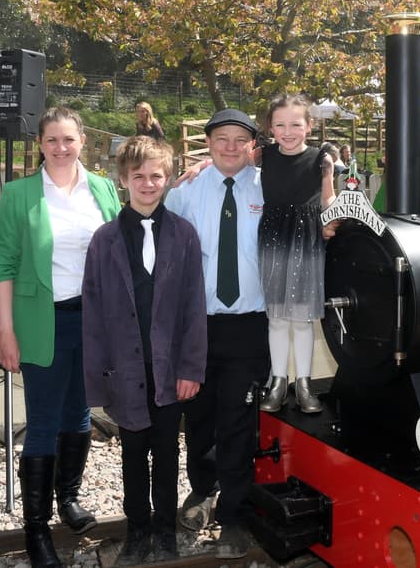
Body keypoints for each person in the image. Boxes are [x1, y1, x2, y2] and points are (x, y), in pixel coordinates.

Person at [0, 107, 122, 567]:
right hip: (41, 321)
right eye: (52, 141)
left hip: (93, 321)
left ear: (82, 140)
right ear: (40, 145)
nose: (61, 148)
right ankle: (37, 529)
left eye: (69, 139)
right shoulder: (19, 194)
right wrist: (6, 331)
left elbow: (120, 249)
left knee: (81, 412)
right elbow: (2, 265)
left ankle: (68, 499)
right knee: (44, 421)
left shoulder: (103, 188)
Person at [82, 136, 207, 563]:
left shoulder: (184, 236)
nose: (148, 184)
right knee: (133, 455)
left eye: (156, 176)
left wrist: (191, 368)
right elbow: (93, 315)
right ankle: (137, 532)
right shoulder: (105, 240)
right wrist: (99, 378)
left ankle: (165, 532)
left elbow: (194, 307)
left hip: (171, 371)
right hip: (125, 370)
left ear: (168, 179)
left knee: (168, 453)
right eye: (139, 176)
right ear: (124, 180)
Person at [166, 108, 269, 559]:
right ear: (207, 143)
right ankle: (201, 490)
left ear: (252, 145)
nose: (230, 147)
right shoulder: (186, 190)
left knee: (238, 420)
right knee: (200, 416)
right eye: (221, 138)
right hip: (198, 325)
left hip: (248, 325)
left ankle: (233, 513)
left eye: (239, 140)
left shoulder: (267, 188)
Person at [255, 93, 335, 414]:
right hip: (273, 236)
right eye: (280, 125)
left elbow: (328, 199)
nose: (287, 132)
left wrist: (338, 218)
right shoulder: (264, 155)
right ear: (271, 127)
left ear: (309, 126)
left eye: (295, 124)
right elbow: (228, 165)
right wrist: (200, 167)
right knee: (276, 317)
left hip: (305, 239)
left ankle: (303, 383)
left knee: (301, 319)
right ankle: (277, 380)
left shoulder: (321, 159)